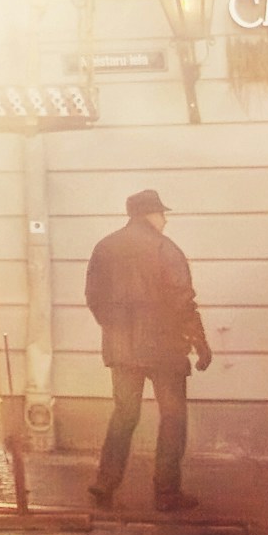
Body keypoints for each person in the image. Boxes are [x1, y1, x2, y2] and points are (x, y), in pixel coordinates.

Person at [85, 187, 211, 513]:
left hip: (123, 349)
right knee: (172, 417)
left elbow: (94, 297)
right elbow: (182, 299)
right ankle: (166, 492)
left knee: (125, 414)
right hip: (164, 348)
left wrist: (114, 329)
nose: (165, 220)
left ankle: (105, 482)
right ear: (149, 215)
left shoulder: (105, 247)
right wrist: (200, 342)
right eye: (162, 213)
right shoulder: (164, 248)